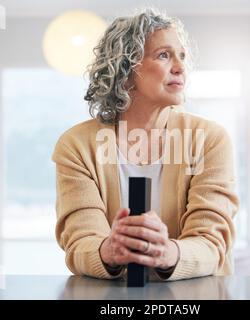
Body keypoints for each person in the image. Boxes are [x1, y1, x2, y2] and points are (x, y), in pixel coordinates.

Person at [52, 8, 239, 281]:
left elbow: (212, 243)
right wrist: (108, 250)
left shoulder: (210, 139)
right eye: (164, 55)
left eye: (182, 56)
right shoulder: (76, 146)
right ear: (125, 69)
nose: (180, 66)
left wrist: (169, 253)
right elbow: (80, 243)